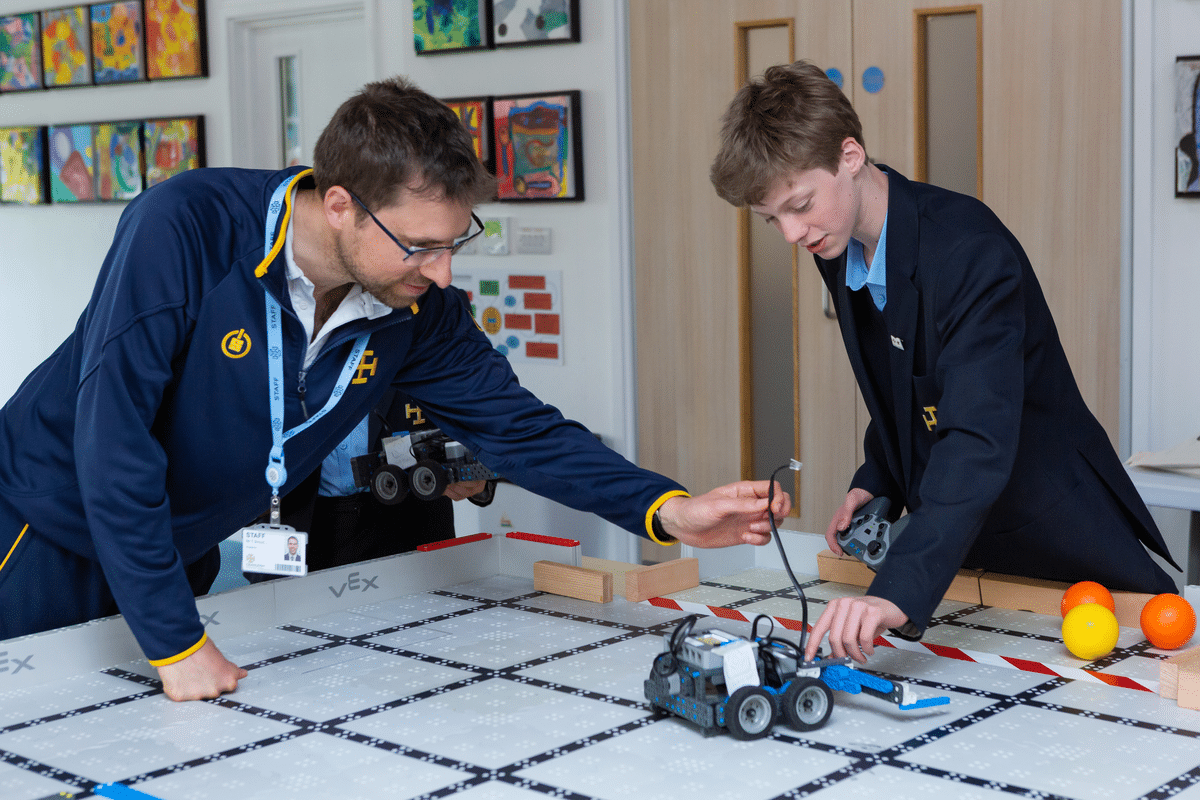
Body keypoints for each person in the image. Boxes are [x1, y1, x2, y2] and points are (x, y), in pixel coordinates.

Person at [0, 76, 791, 702]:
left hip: (178, 549)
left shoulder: (419, 310)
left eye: (454, 244)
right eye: (418, 246)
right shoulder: (185, 227)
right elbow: (114, 437)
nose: (442, 274)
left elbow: (520, 431)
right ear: (339, 204)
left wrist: (669, 508)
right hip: (45, 530)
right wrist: (174, 640)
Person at [708, 60, 1180, 664]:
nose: (791, 235)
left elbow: (977, 438)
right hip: (961, 540)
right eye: (773, 219)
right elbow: (911, 379)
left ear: (850, 156)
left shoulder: (968, 251)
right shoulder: (840, 241)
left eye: (799, 205)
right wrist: (876, 478)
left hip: (1052, 528)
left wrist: (894, 592)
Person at [244, 389, 494, 584]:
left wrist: (479, 464)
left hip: (413, 522)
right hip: (294, 523)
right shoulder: (260, 334)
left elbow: (484, 405)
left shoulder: (424, 325)